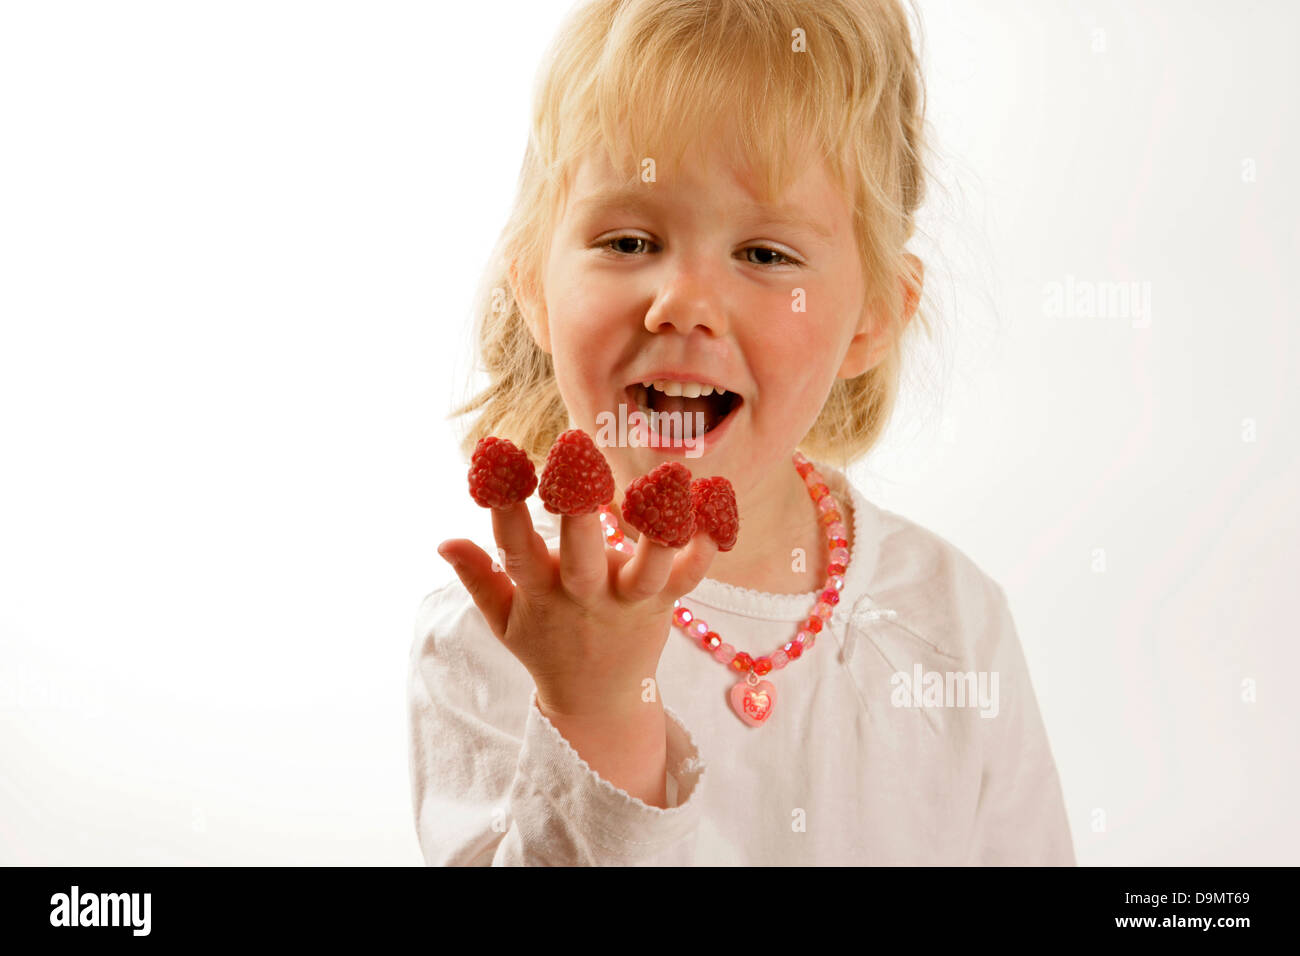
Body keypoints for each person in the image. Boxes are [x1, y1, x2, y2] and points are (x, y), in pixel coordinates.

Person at [408, 0, 1074, 865]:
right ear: (532, 282)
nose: (682, 301)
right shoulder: (494, 629)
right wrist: (598, 716)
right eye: (629, 239)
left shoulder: (952, 620)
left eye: (765, 255)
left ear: (874, 316)